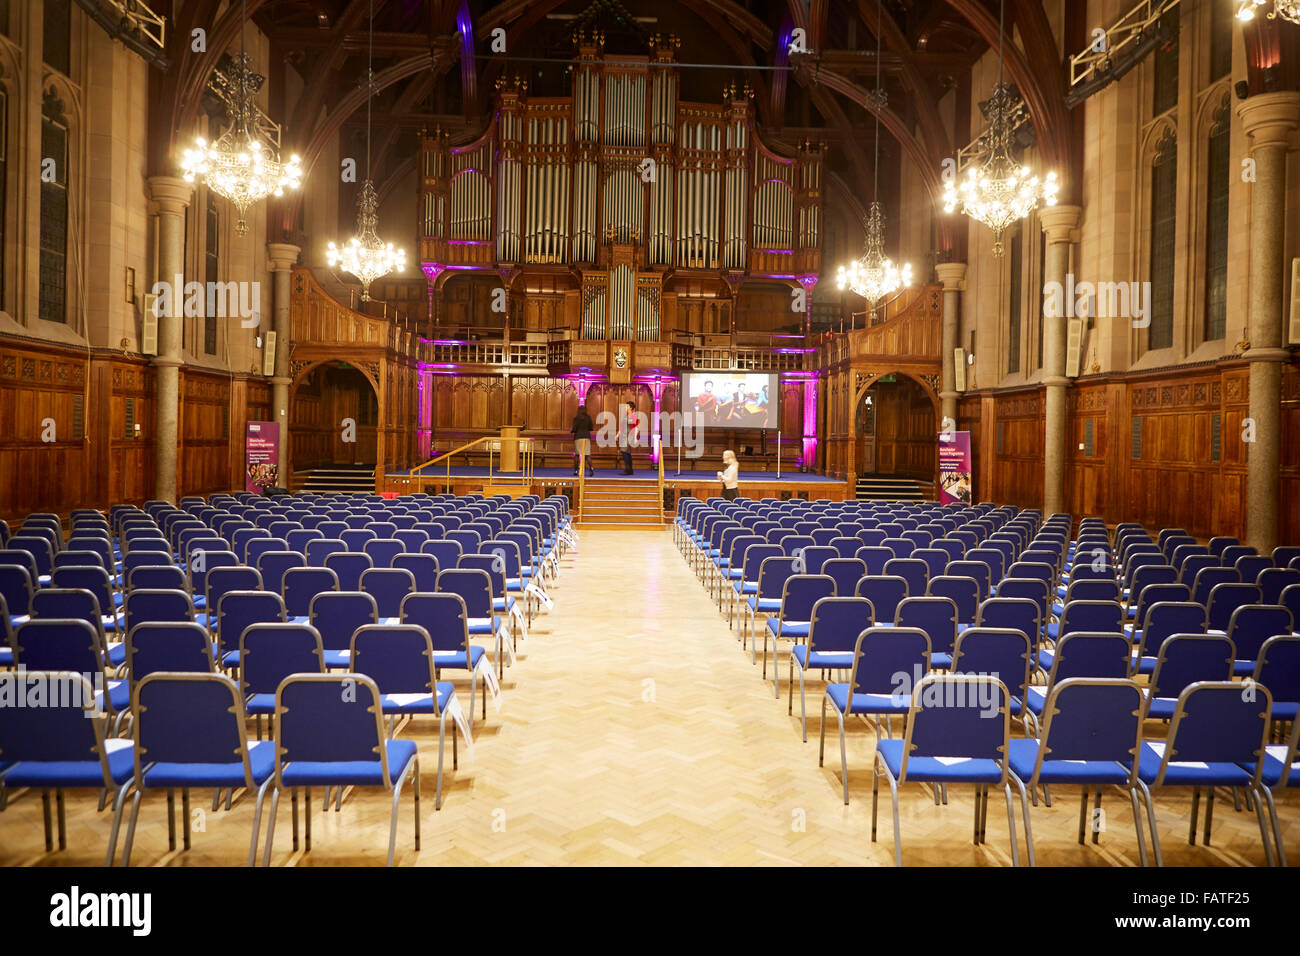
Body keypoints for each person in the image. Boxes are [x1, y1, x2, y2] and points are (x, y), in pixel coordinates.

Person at [571, 402, 594, 476]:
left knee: (577, 455)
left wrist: (573, 431)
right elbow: (591, 427)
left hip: (578, 437)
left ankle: (575, 471)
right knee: (587, 455)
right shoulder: (588, 418)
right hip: (586, 437)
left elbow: (574, 428)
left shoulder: (576, 418)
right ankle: (591, 469)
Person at [619, 400, 637, 475]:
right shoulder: (626, 416)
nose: (626, 407)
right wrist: (617, 435)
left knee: (624, 451)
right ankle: (630, 470)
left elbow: (635, 427)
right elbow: (622, 427)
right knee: (627, 452)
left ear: (630, 407)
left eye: (627, 406)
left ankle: (628, 469)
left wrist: (635, 437)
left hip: (629, 435)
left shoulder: (633, 416)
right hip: (624, 435)